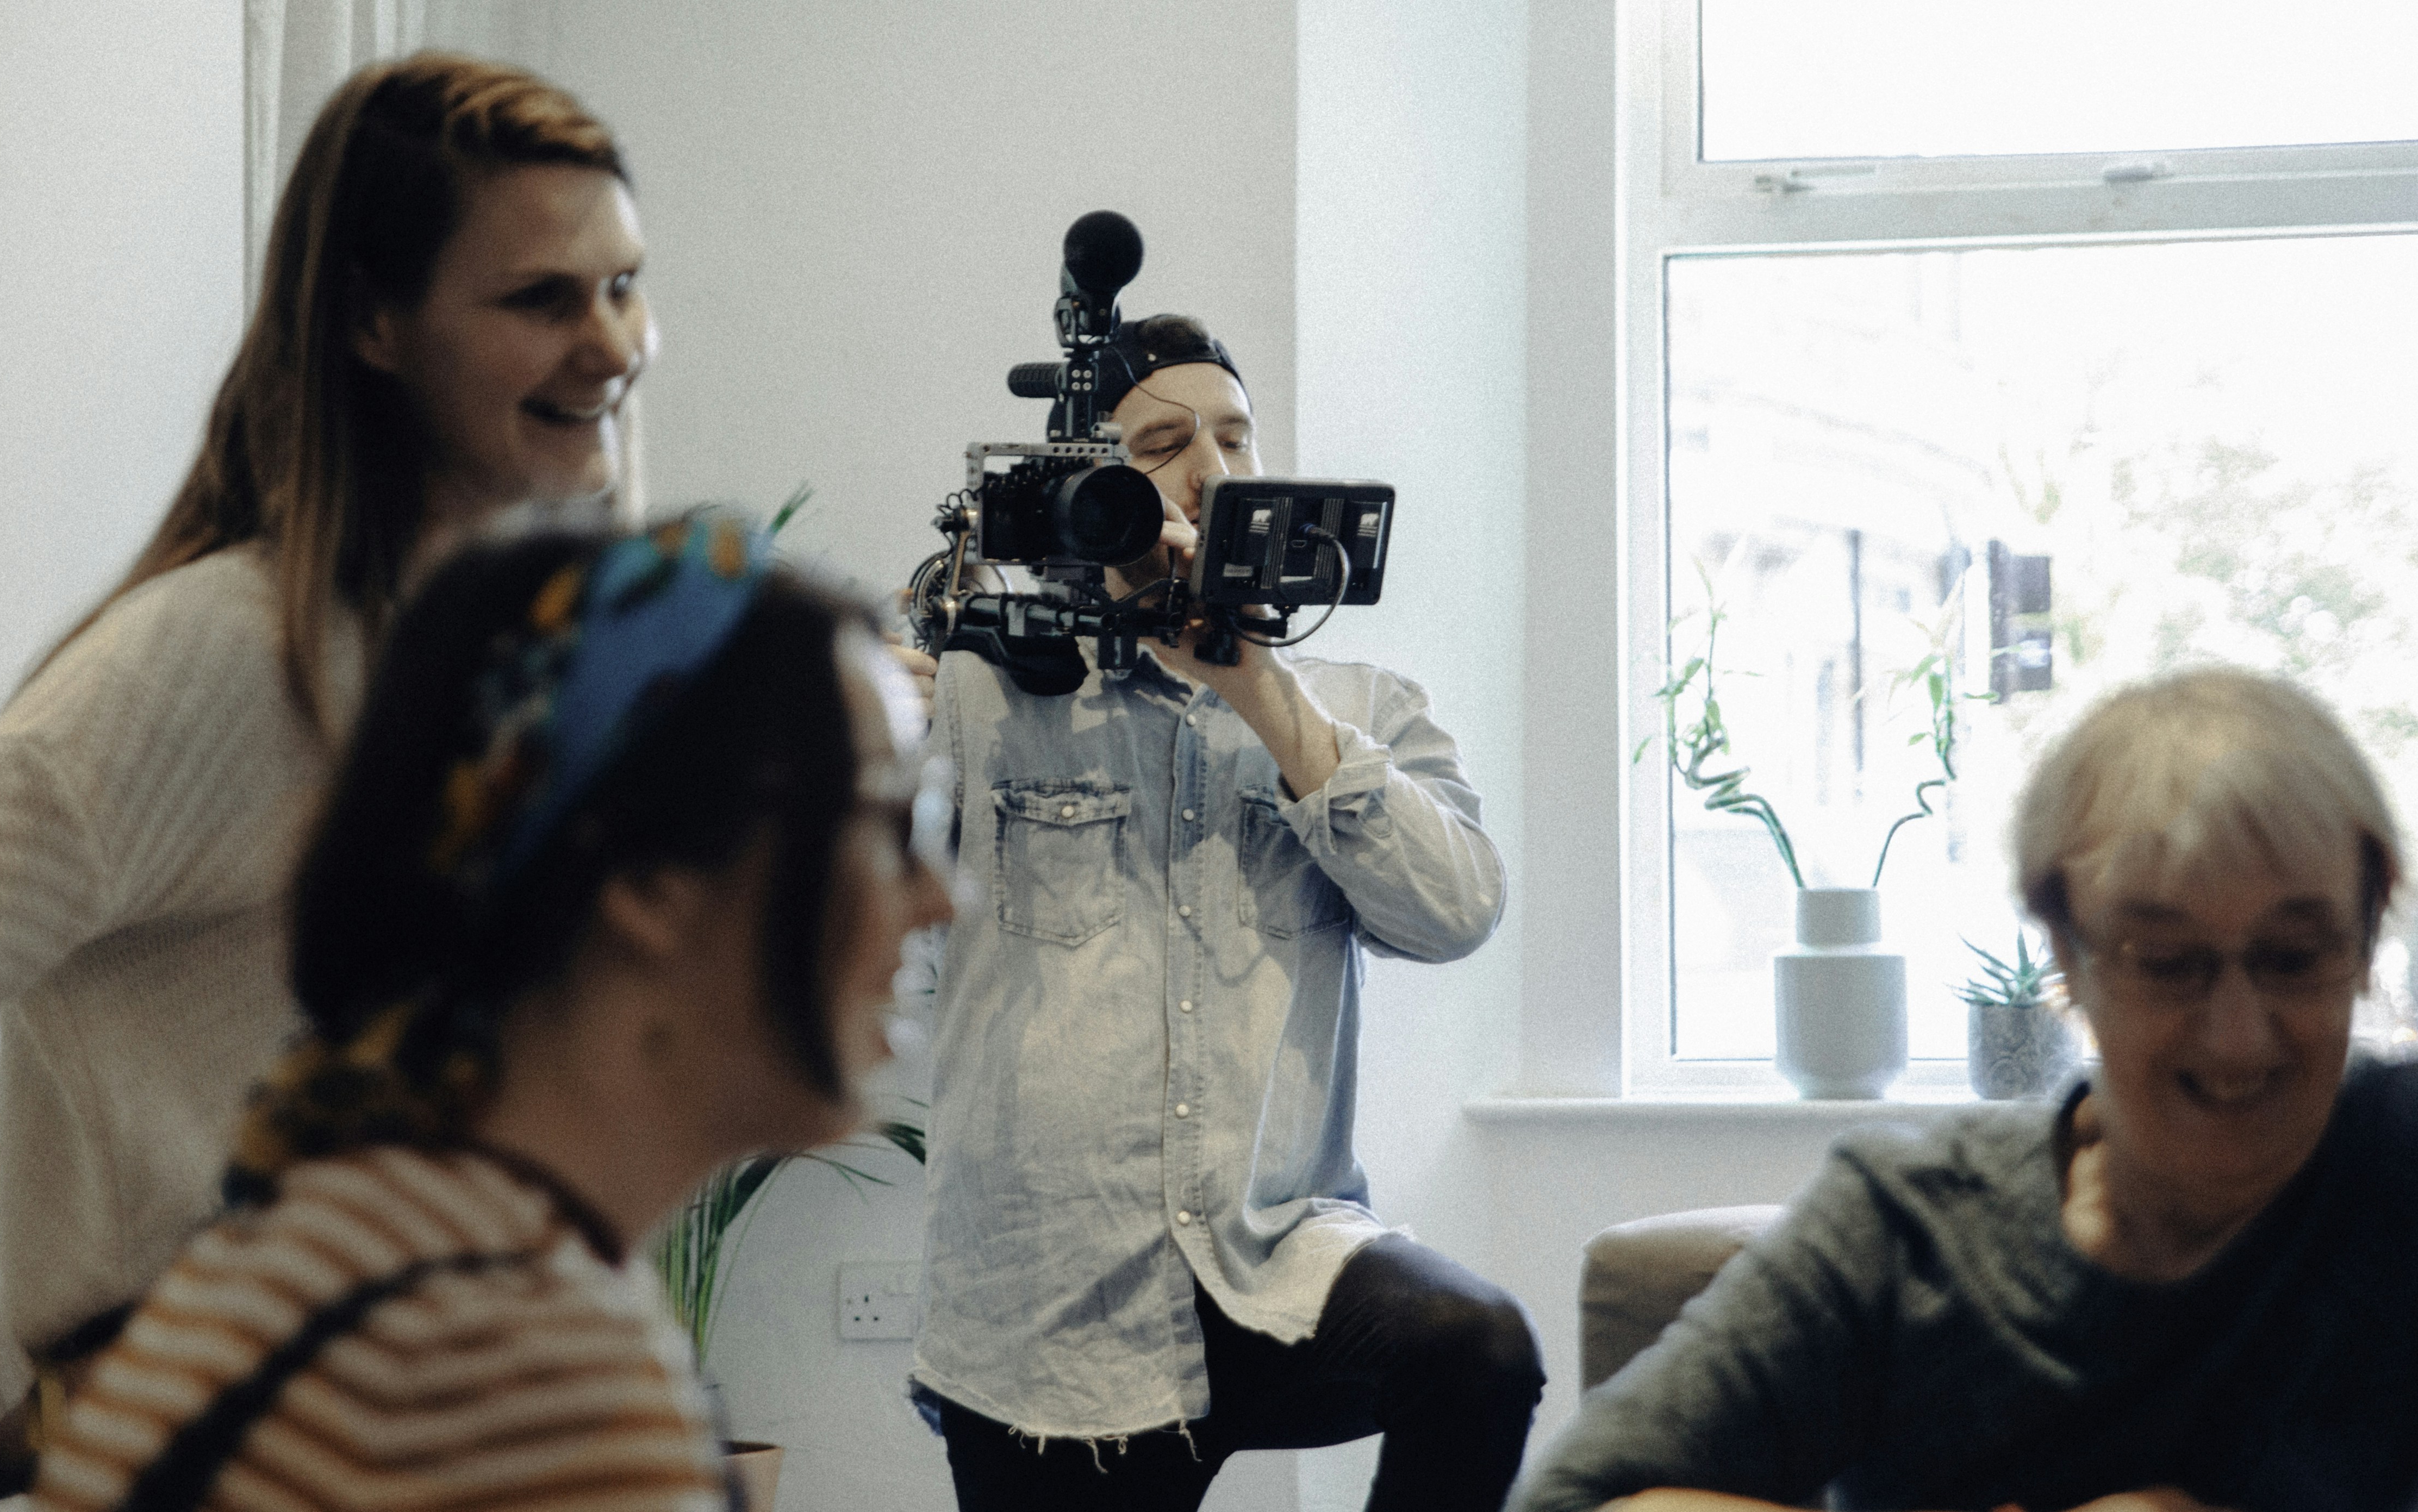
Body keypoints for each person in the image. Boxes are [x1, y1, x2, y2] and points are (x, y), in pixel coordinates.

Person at [0, 51, 654, 1483]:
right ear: (372, 321)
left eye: (623, 287)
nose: (611, 346)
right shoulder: (209, 660)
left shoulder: (496, 653)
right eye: (541, 299)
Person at [29, 513, 953, 1511]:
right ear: (652, 881)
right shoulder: (520, 1370)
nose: (941, 897)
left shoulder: (349, 1245)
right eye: (887, 818)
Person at [1512, 666, 2418, 1512]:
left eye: (2293, 957)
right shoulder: (1910, 1232)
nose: (2235, 1033)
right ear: (2065, 952)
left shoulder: (2394, 1162)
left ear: (2369, 921)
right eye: (2166, 961)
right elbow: (1572, 1501)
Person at [912, 315, 1541, 1511]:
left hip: (1276, 1257)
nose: (1210, 469)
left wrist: (1261, 688)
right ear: (1086, 492)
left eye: (1236, 438)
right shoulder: (981, 693)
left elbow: (1456, 911)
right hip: (1053, 1307)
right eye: (1161, 445)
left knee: (1476, 1354)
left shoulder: (1355, 706)